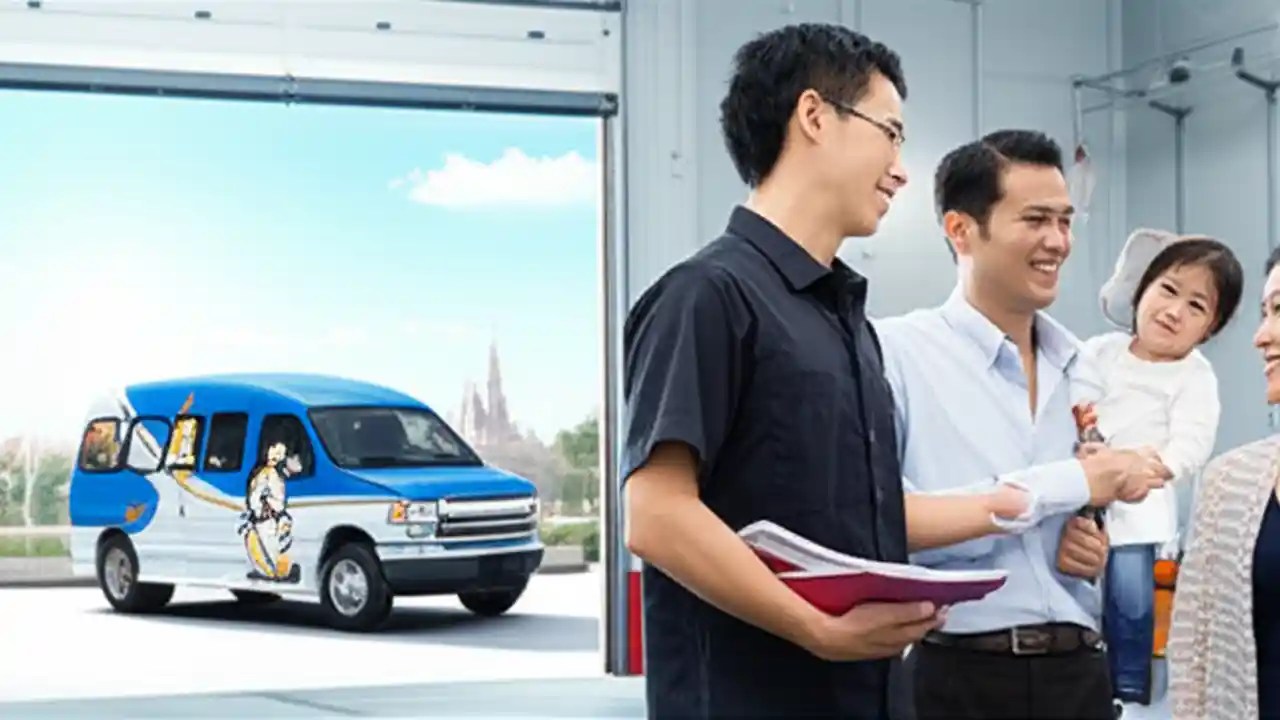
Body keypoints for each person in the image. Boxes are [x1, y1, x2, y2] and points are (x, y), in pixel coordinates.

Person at [622, 26, 1153, 720]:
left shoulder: (845, 326)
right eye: (891, 132)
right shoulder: (707, 296)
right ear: (814, 116)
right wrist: (815, 627)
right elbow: (655, 516)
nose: (901, 168)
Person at [874, 129, 1169, 720]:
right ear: (960, 230)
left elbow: (1082, 516)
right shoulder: (894, 352)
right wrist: (1071, 485)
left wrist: (1089, 537)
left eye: (1064, 221)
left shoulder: (1082, 366)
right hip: (956, 676)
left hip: (1079, 671)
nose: (1057, 241)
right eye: (1035, 219)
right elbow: (880, 519)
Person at [1077, 228, 1243, 708]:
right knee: (1079, 593)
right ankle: (1084, 673)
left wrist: (1155, 470)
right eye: (1168, 290)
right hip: (1082, 488)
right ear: (1142, 288)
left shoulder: (1193, 374)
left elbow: (1192, 441)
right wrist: (1085, 448)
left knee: (1131, 599)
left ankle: (1128, 686)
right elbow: (1070, 403)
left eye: (1197, 306)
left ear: (1209, 329)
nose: (1174, 311)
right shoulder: (1099, 351)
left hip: (1140, 505)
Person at [1167, 244, 1280, 720]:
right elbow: (1193, 650)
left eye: (1279, 312)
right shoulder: (1229, 483)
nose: (1261, 335)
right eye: (1264, 312)